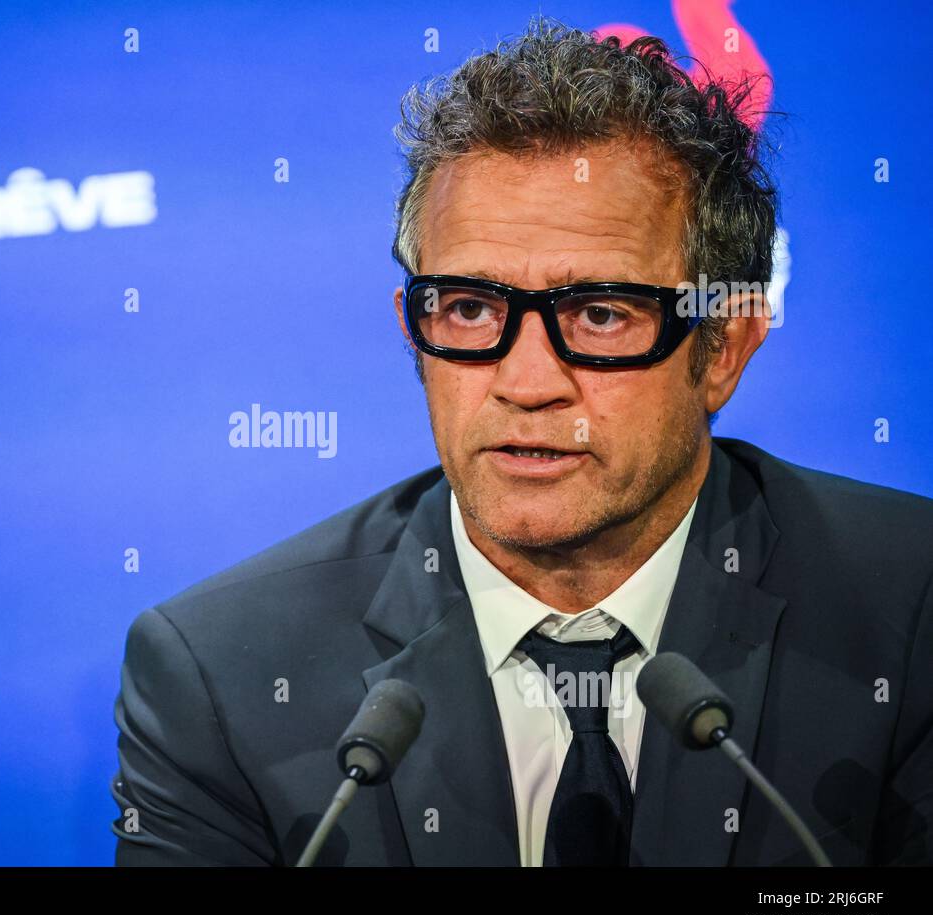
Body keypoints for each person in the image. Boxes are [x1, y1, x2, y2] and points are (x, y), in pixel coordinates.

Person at [109, 18, 933, 866]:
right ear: (412, 328)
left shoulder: (909, 613)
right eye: (469, 309)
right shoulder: (222, 676)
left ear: (722, 347)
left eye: (601, 314)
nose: (527, 382)